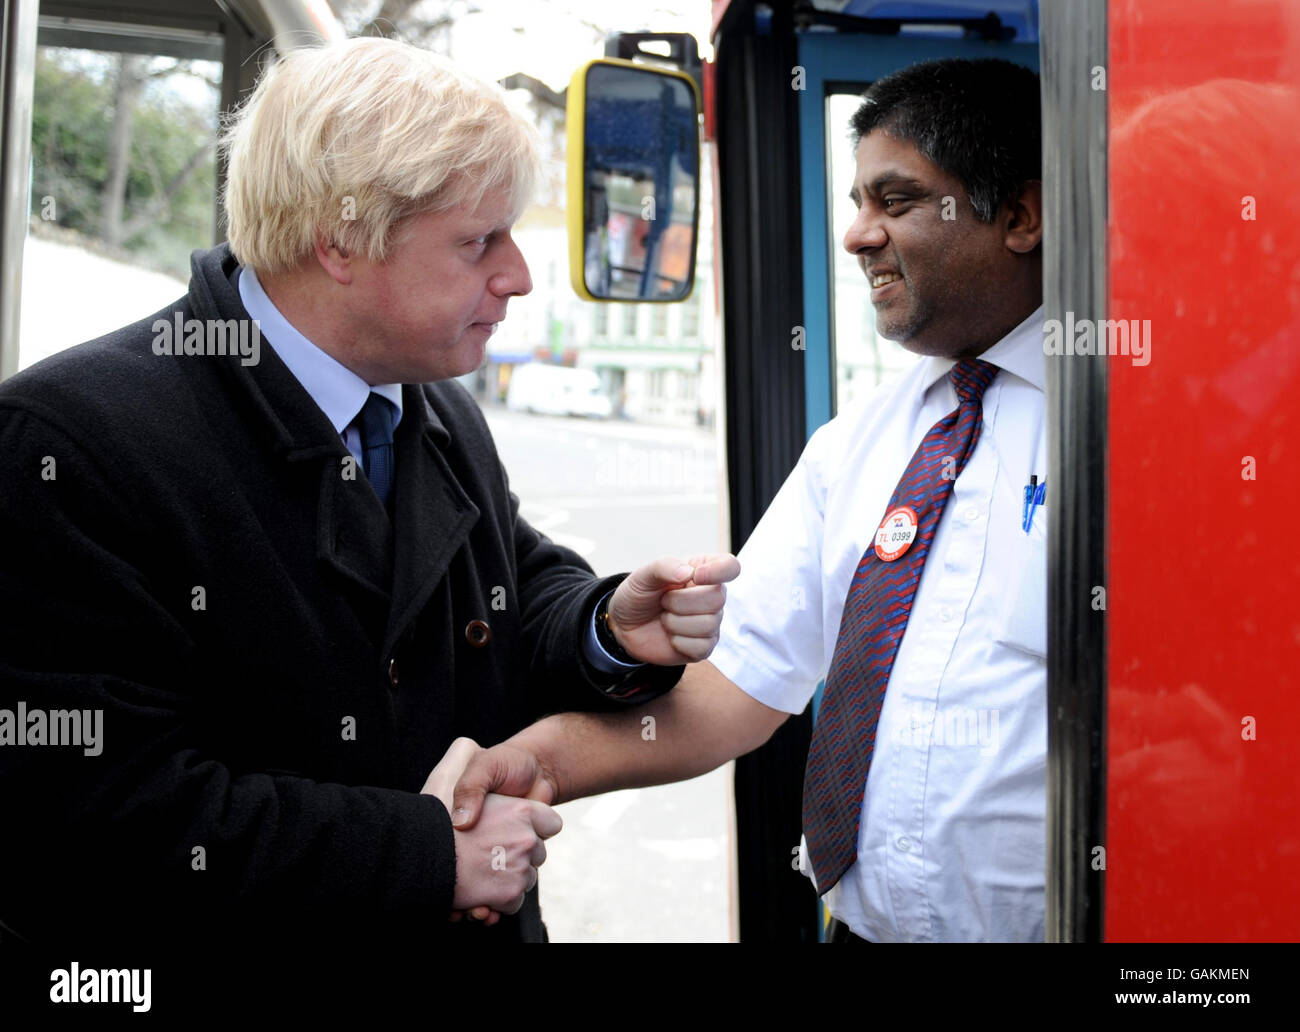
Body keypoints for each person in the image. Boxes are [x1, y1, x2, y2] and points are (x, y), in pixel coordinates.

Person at [0, 37, 737, 953]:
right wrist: (425, 856)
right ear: (341, 240)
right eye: (478, 241)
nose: (518, 274)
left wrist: (607, 627)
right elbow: (91, 814)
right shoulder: (71, 443)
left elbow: (507, 594)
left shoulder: (431, 405)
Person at [450, 57, 1048, 942]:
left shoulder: (1144, 442)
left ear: (1020, 216)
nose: (857, 235)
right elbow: (732, 689)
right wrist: (528, 762)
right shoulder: (860, 448)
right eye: (855, 203)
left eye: (898, 201)